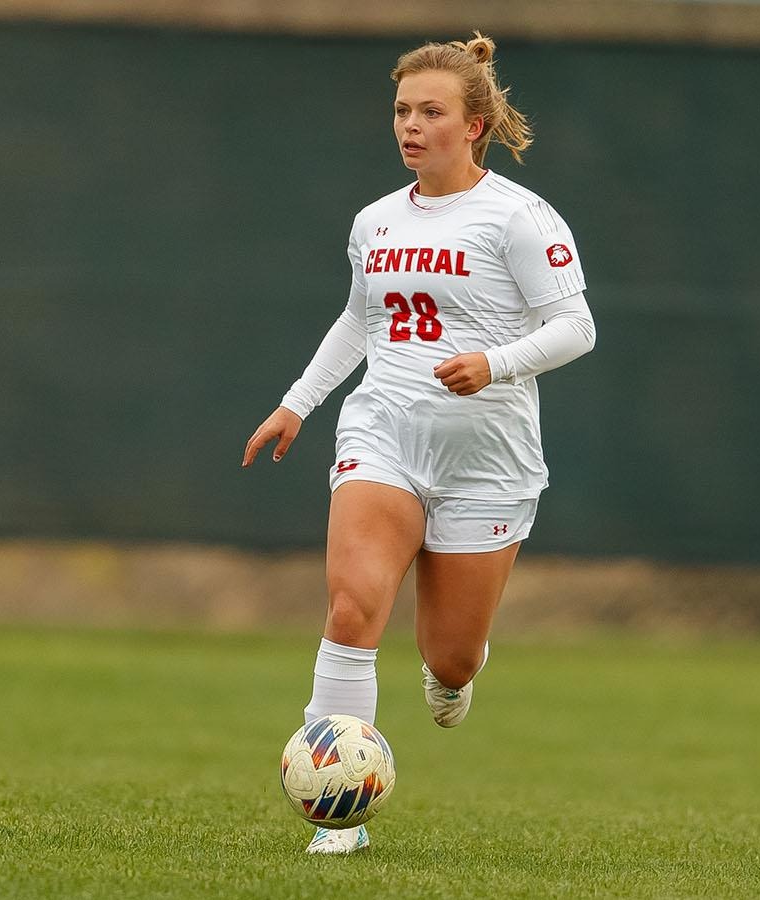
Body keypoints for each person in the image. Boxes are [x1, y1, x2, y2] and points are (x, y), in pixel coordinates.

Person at [241, 32, 596, 856]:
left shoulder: (517, 216)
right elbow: (359, 320)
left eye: (430, 111)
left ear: (474, 125)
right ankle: (340, 816)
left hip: (487, 462)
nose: (410, 125)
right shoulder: (375, 220)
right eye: (402, 110)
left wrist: (495, 363)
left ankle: (452, 674)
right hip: (384, 433)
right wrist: (298, 404)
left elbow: (575, 327)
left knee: (454, 657)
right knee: (352, 606)